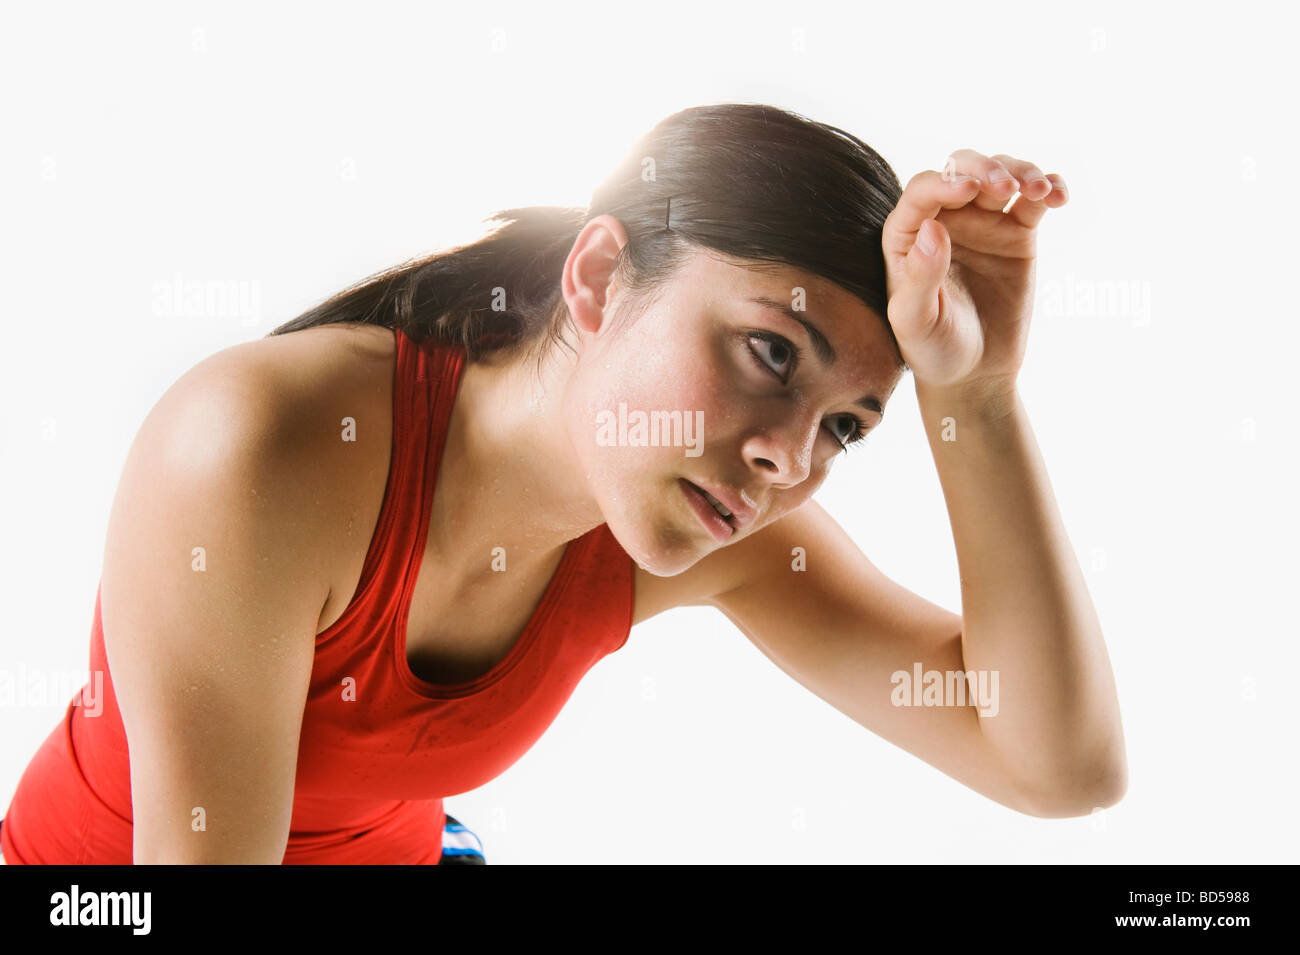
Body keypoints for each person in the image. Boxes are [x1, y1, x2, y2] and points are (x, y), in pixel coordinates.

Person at [0, 102, 1126, 864]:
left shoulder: (710, 513)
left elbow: (1052, 763)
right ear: (596, 275)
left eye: (847, 425)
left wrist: (973, 401)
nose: (791, 457)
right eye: (770, 353)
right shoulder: (257, 450)